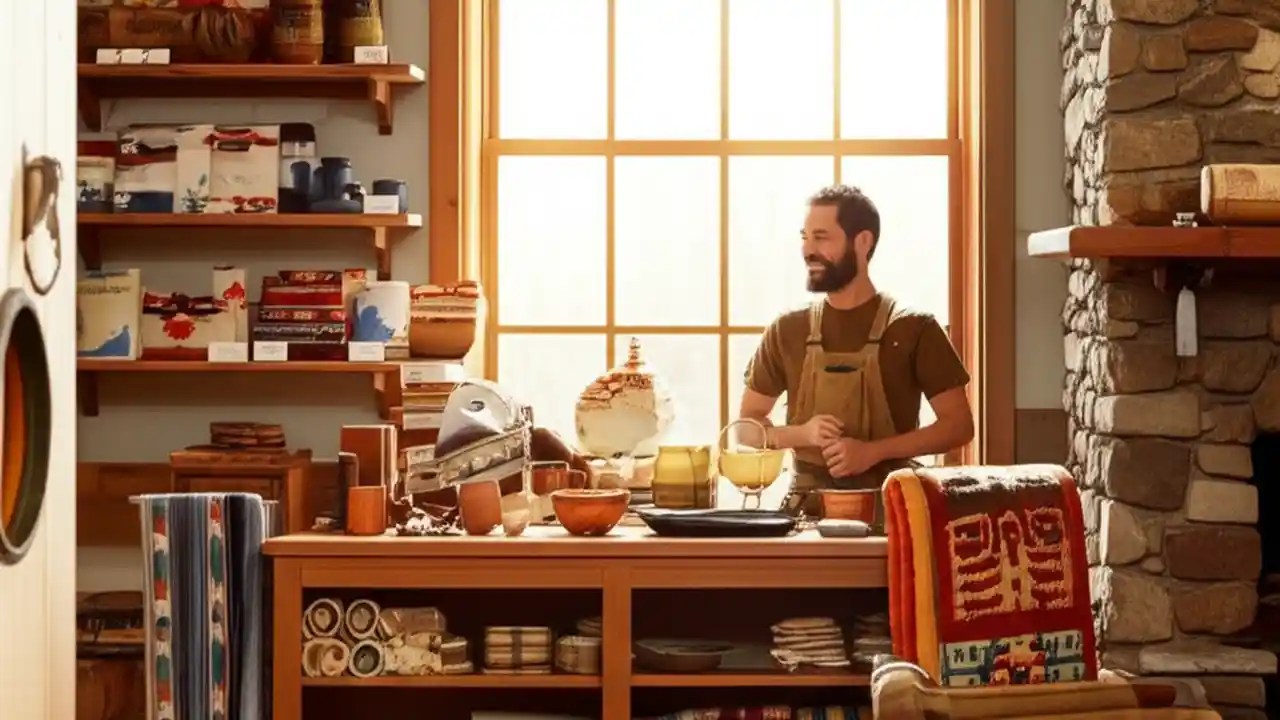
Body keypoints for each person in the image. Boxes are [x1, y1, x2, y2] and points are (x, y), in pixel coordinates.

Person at [738, 184, 973, 518]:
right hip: (807, 514)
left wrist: (872, 452)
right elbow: (746, 428)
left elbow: (959, 426)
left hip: (894, 515)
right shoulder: (787, 330)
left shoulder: (914, 328)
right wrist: (801, 433)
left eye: (821, 237)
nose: (808, 250)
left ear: (863, 242)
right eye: (804, 237)